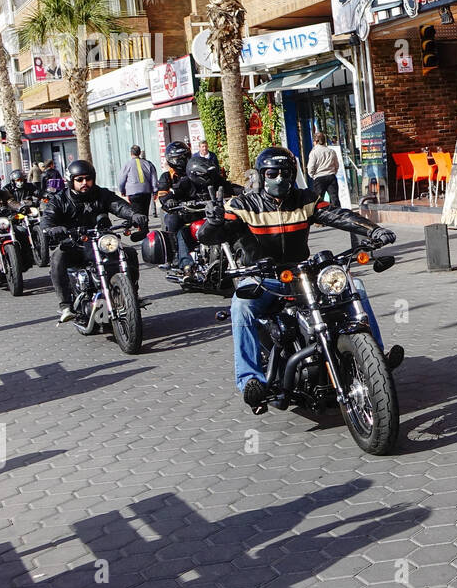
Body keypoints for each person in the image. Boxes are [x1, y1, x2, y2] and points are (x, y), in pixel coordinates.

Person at [197, 147, 400, 413]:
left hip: (303, 274)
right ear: (261, 175)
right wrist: (211, 224)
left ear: (294, 175)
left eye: (286, 173)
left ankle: (376, 358)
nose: (279, 178)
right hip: (262, 278)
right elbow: (210, 235)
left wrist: (374, 230)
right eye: (272, 173)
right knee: (240, 306)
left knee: (355, 286)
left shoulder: (306, 199)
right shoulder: (244, 204)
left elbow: (338, 215)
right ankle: (250, 381)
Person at [41, 159, 147, 322]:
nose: (85, 183)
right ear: (71, 180)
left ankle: (132, 294)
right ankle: (65, 306)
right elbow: (48, 218)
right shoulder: (60, 199)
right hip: (73, 244)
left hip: (101, 241)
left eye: (88, 178)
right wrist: (52, 228)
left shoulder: (101, 193)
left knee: (129, 253)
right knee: (57, 258)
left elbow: (118, 205)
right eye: (79, 179)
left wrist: (133, 215)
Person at [155, 141, 193, 266]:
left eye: (184, 156)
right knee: (173, 221)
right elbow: (162, 195)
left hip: (196, 207)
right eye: (179, 158)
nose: (183, 160)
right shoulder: (167, 176)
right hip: (178, 209)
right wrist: (169, 200)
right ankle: (176, 253)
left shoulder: (193, 172)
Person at [117, 145, 157, 218]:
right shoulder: (148, 163)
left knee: (136, 213)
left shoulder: (127, 164)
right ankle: (144, 227)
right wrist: (155, 191)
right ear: (139, 153)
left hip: (133, 193)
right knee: (145, 213)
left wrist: (122, 190)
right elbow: (153, 178)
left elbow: (121, 179)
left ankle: (139, 226)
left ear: (131, 153)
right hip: (146, 192)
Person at [306, 132, 341, 204]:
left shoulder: (314, 152)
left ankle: (320, 214)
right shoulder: (331, 151)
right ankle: (336, 213)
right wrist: (333, 172)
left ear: (316, 141)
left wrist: (313, 176)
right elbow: (336, 165)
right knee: (334, 198)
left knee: (318, 200)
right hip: (331, 176)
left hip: (319, 177)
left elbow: (310, 167)